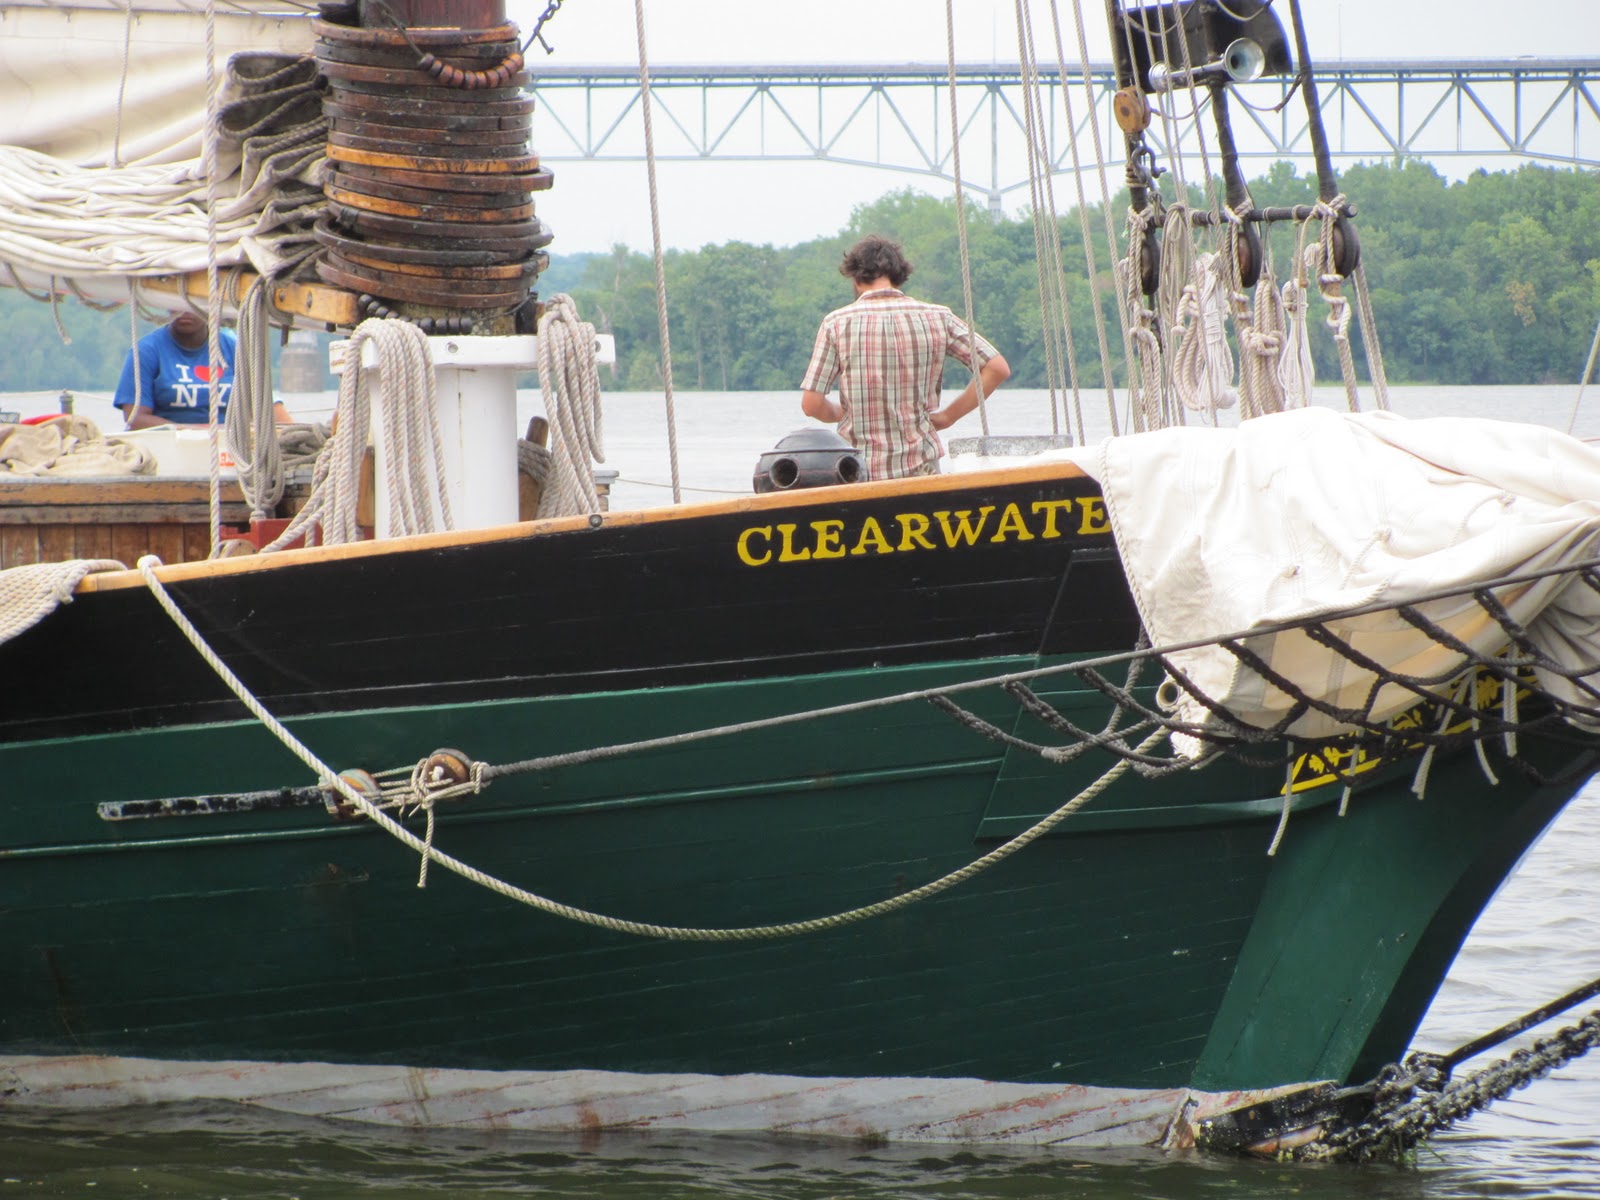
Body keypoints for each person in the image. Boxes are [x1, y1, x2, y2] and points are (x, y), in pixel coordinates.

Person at [799, 235, 1010, 481]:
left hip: (860, 472)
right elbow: (997, 368)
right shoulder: (938, 317)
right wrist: (947, 417)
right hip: (922, 471)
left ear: (855, 280)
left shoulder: (836, 324)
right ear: (899, 276)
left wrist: (842, 413)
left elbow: (811, 404)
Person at [114, 310, 291, 429]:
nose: (184, 311)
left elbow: (268, 406)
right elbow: (135, 418)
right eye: (176, 304)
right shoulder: (146, 351)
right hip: (168, 447)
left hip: (227, 446)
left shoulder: (234, 348)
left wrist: (293, 436)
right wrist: (194, 432)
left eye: (192, 304)